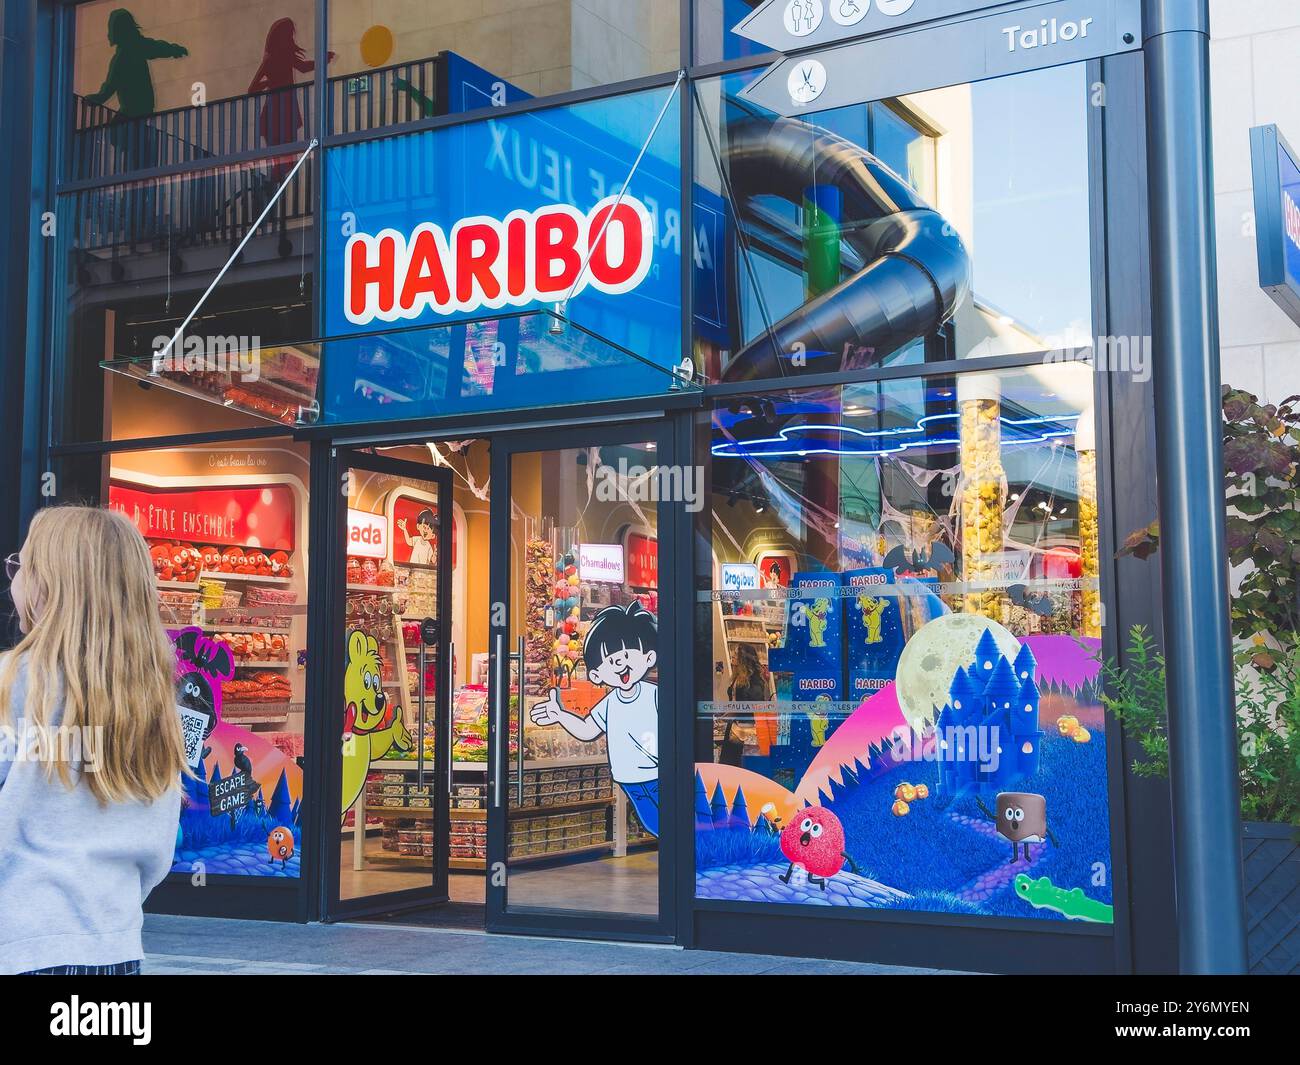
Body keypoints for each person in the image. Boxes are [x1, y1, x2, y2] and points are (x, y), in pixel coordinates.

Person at [0, 507, 187, 975]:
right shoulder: (153, 698)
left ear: (49, 585)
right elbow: (159, 848)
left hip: (21, 940)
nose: (13, 580)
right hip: (115, 944)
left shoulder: (13, 681)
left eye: (19, 565)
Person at [530, 602, 659, 835]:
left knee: (669, 817)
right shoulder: (610, 703)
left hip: (657, 771)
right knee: (651, 820)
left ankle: (694, 851)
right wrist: (561, 715)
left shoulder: (655, 695)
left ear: (649, 657)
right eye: (610, 661)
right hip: (628, 777)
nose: (619, 663)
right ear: (597, 673)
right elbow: (588, 730)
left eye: (627, 655)